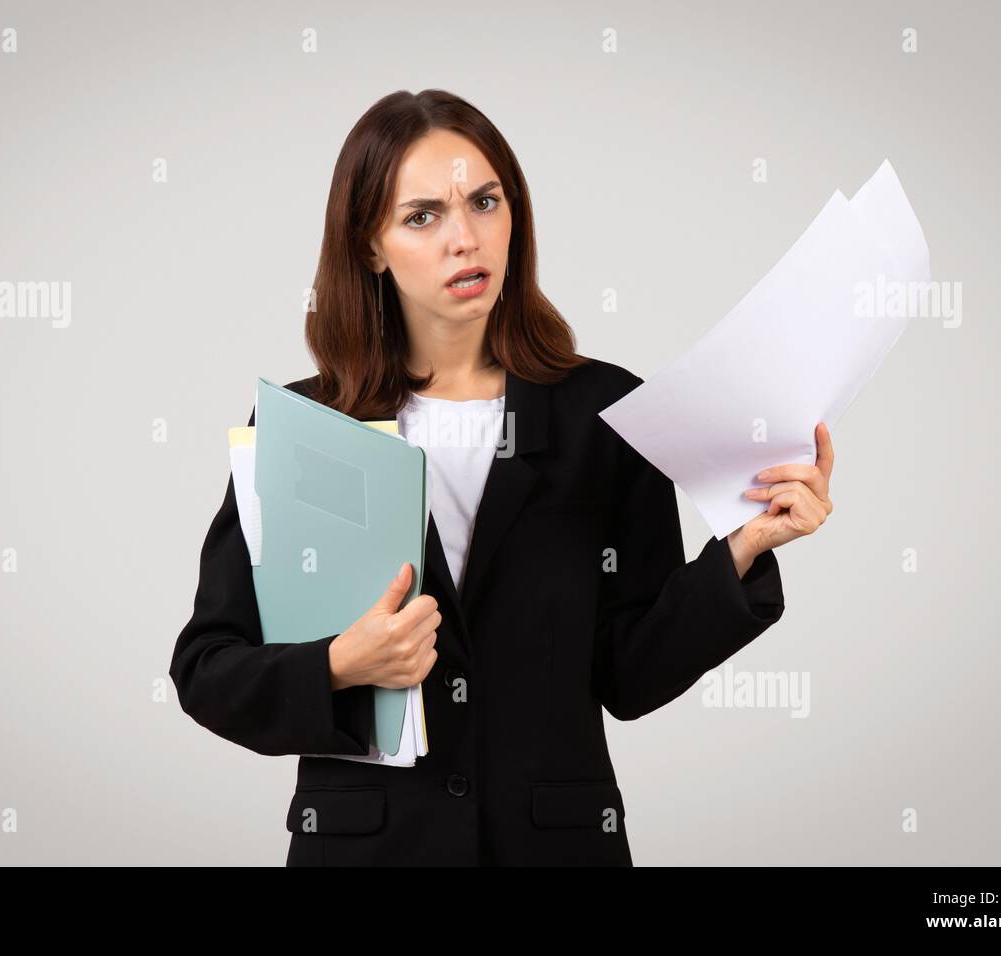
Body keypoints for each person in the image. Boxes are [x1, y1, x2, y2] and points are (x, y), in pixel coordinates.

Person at [169, 89, 835, 866]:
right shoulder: (300, 428)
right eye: (422, 216)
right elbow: (208, 669)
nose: (465, 238)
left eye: (484, 202)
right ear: (370, 246)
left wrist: (745, 547)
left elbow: (629, 672)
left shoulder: (607, 413)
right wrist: (339, 666)